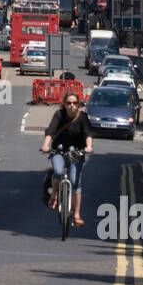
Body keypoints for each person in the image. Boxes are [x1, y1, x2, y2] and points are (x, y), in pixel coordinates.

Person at [40, 91, 92, 225]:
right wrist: (46, 145)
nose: (72, 106)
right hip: (59, 150)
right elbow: (51, 130)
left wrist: (88, 146)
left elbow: (87, 133)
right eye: (69, 103)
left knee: (75, 182)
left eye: (75, 103)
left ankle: (77, 214)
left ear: (78, 104)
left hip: (77, 153)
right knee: (58, 171)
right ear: (64, 104)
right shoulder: (59, 115)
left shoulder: (82, 117)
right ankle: (54, 194)